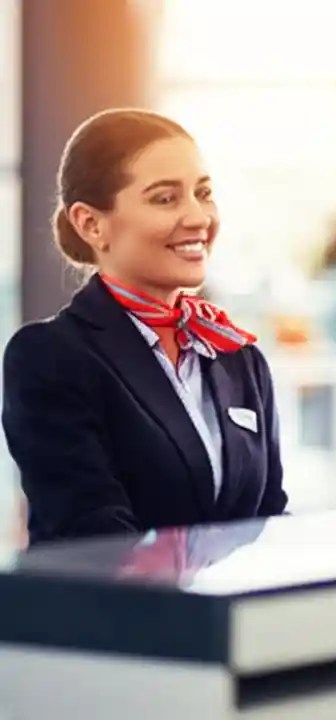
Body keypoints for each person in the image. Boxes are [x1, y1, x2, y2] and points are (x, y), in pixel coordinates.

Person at [2, 109, 288, 545]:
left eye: (203, 193)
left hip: (224, 612)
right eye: (165, 199)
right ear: (91, 224)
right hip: (117, 612)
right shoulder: (51, 356)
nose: (199, 218)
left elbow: (269, 518)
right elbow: (93, 535)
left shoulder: (237, 356)